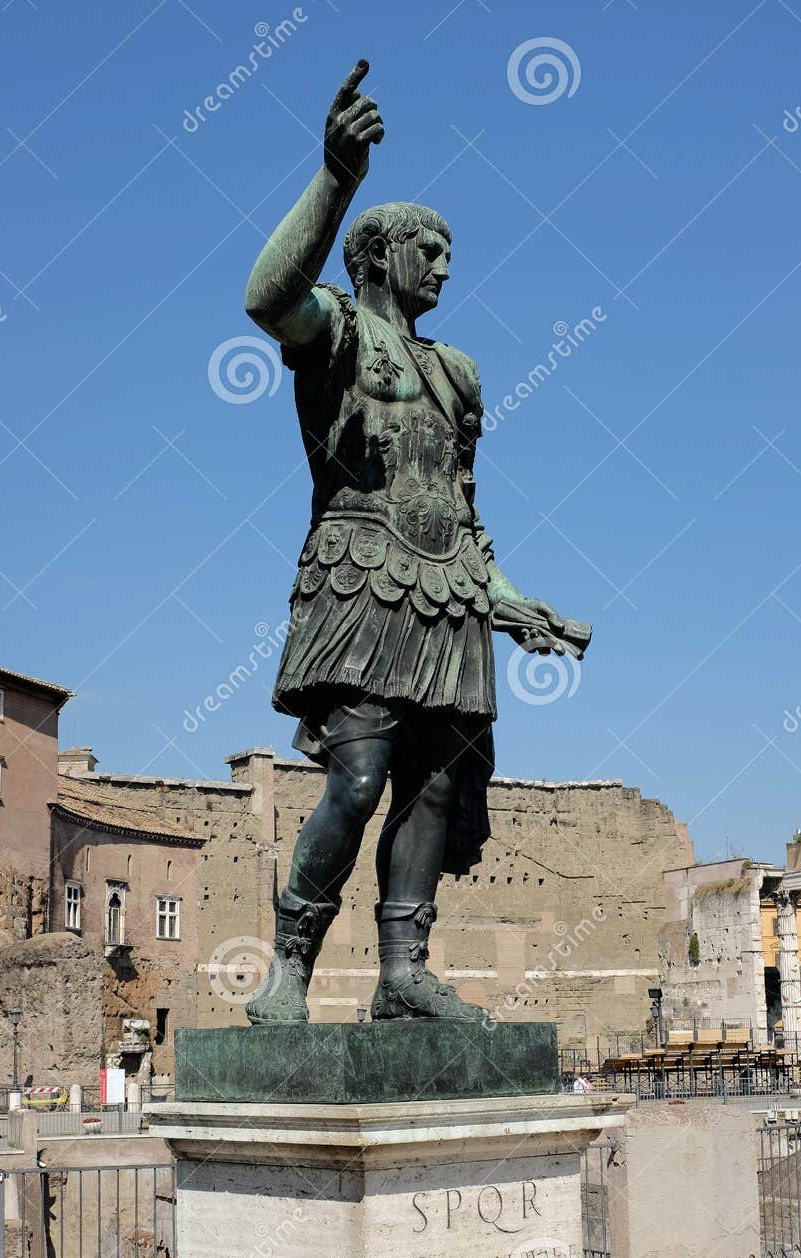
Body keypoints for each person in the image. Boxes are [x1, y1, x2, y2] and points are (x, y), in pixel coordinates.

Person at [243, 60, 590, 1024]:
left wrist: (516, 604)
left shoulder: (460, 375)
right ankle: (290, 969)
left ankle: (403, 972)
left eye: (448, 252)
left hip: (446, 592)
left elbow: (464, 509)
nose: (444, 264)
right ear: (377, 255)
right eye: (429, 250)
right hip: (361, 580)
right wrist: (334, 178)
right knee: (355, 781)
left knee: (434, 788)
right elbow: (267, 297)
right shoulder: (338, 336)